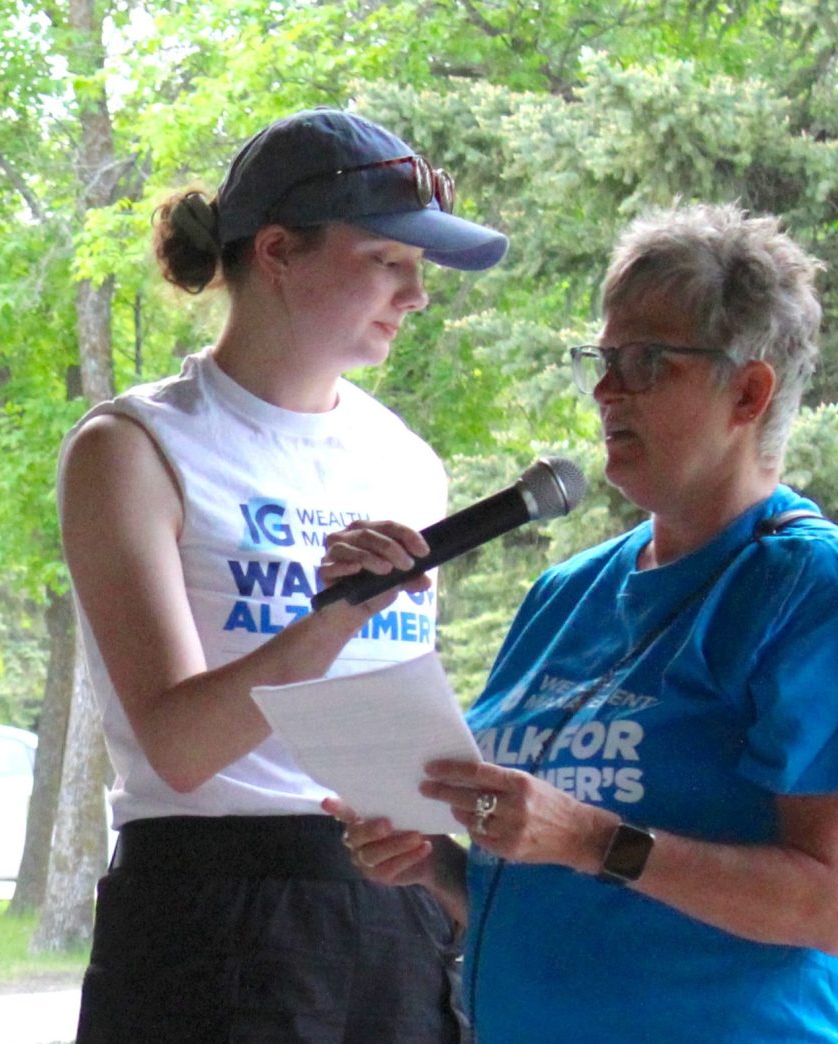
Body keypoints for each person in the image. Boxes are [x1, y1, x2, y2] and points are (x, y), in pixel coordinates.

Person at [324, 202, 838, 1042]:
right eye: (603, 359)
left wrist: (585, 837)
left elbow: (829, 904)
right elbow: (565, 894)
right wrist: (435, 864)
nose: (607, 389)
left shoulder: (817, 590)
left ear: (749, 392)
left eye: (647, 362)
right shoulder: (564, 595)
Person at [58, 106, 507, 1044]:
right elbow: (180, 747)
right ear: (276, 252)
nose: (416, 294)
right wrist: (336, 613)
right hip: (212, 905)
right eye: (389, 260)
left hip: (395, 898)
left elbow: (394, 716)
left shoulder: (408, 464)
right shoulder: (137, 446)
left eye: (420, 269)